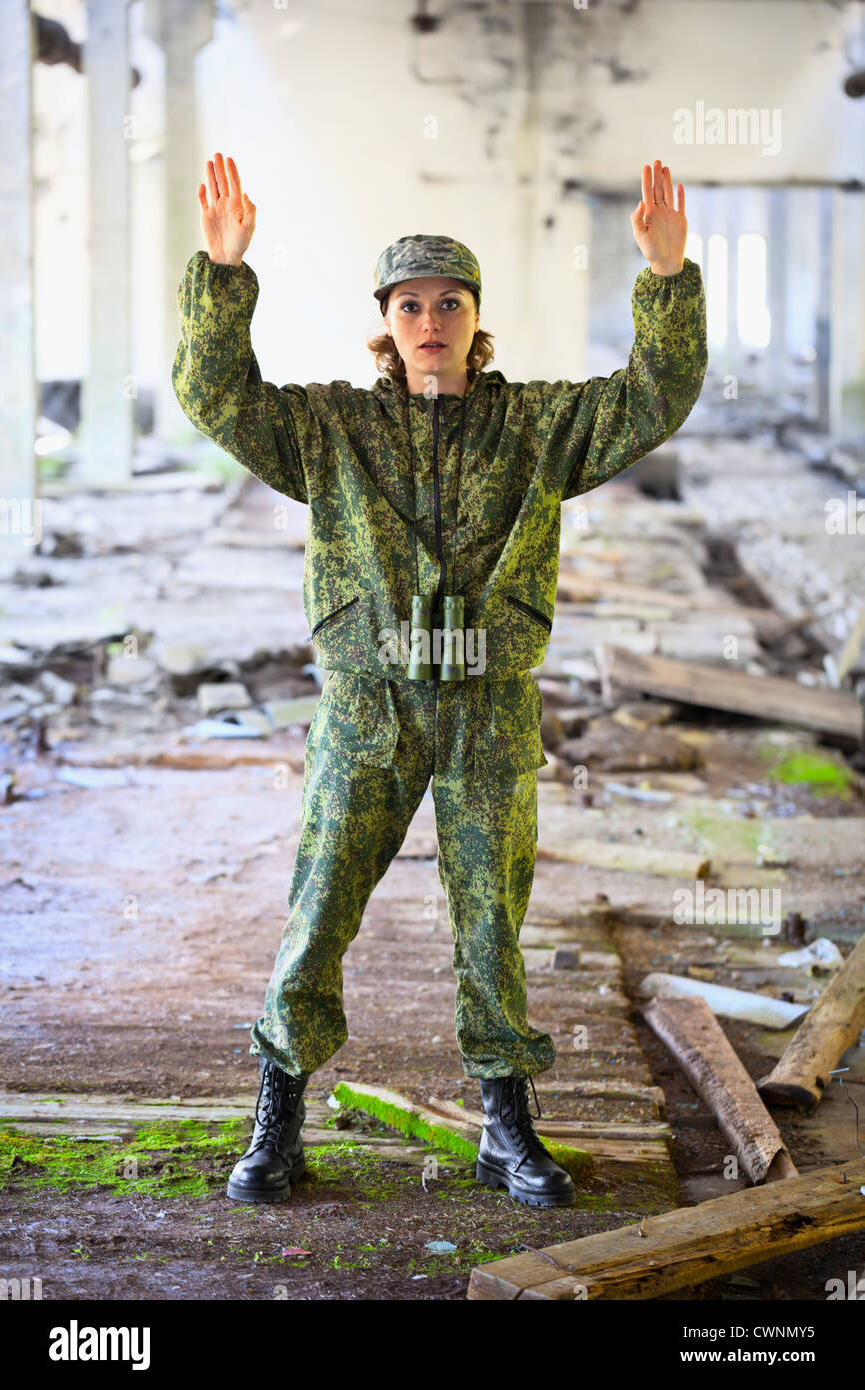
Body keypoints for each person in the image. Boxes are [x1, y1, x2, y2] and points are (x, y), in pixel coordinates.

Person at [172, 151, 707, 1208]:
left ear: (473, 319)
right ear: (386, 319)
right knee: (319, 908)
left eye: (448, 302)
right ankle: (276, 1116)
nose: (429, 318)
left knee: (488, 922)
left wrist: (664, 280)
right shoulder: (329, 429)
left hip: (487, 714)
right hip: (366, 711)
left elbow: (653, 393)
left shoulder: (537, 426)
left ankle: (506, 1128)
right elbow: (213, 391)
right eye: (409, 303)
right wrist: (222, 271)